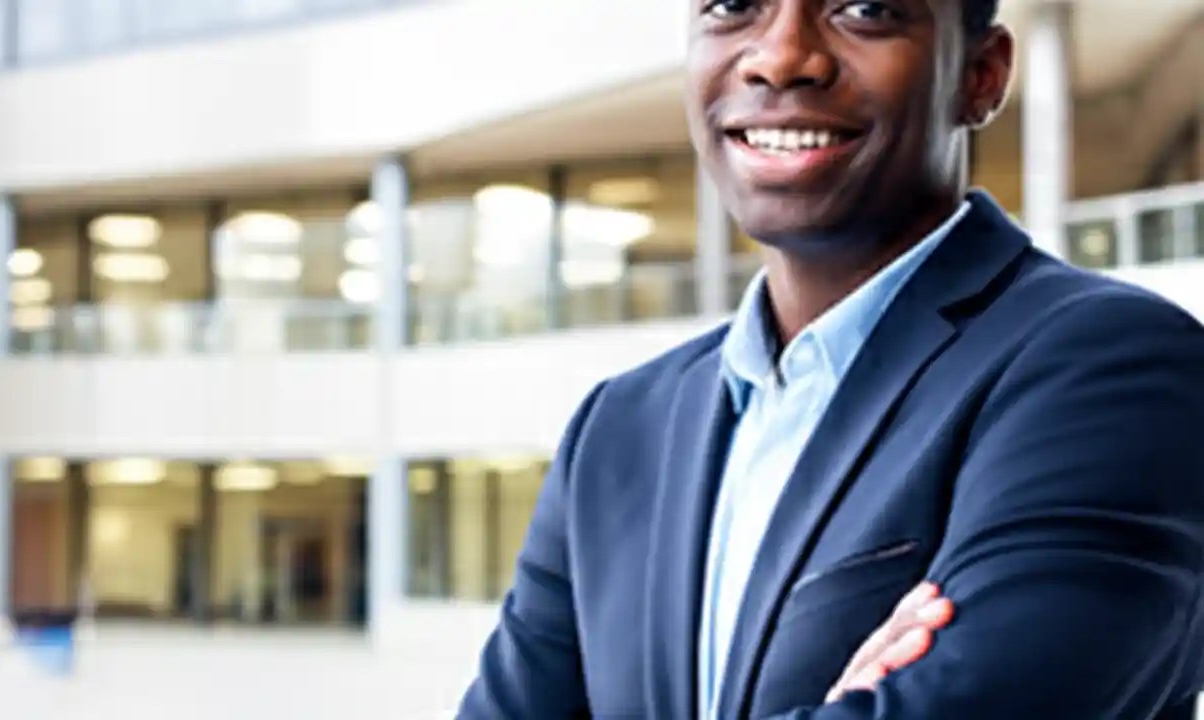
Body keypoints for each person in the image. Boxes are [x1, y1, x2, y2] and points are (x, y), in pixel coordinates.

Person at [459, 0, 1204, 717]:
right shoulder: (619, 428)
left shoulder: (1113, 370)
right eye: (732, 4)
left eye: (868, 9)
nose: (782, 58)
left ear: (980, 74)